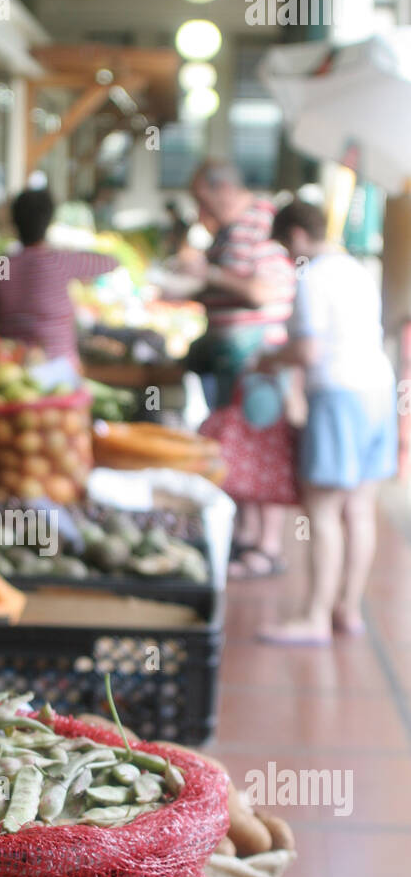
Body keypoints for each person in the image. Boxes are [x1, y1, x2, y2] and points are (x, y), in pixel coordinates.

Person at [254, 198, 397, 645]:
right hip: (378, 388)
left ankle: (314, 617)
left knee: (323, 511)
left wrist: (269, 358)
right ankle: (347, 610)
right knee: (359, 509)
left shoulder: (312, 276)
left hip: (337, 394)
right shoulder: (357, 270)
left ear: (296, 235)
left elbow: (309, 351)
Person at [170, 160, 297, 577]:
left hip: (258, 357)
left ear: (222, 189)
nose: (199, 210)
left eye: (202, 200)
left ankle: (266, 544)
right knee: (237, 445)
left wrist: (208, 274)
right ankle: (245, 534)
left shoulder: (259, 224)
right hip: (233, 355)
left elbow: (262, 291)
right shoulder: (229, 229)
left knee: (262, 444)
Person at [0, 188, 118, 368]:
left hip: (11, 367)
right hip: (58, 368)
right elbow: (111, 262)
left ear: (14, 222)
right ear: (49, 221)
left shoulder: (2, 265)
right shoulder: (60, 260)